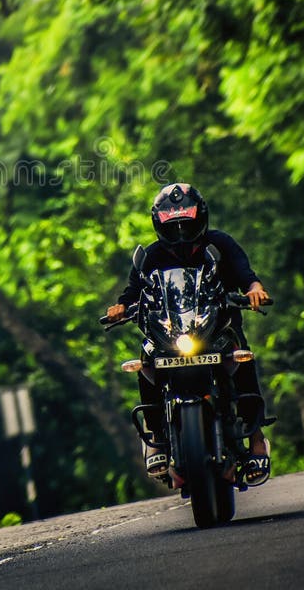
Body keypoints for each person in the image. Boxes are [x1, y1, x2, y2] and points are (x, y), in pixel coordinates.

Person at [105, 182, 272, 486]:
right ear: (159, 224)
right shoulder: (152, 256)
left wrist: (254, 290)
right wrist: (121, 307)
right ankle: (156, 436)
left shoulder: (220, 243)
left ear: (200, 218)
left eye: (187, 223)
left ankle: (256, 439)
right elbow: (132, 292)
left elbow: (246, 275)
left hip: (218, 328)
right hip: (170, 336)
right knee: (146, 360)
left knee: (242, 357)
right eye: (174, 225)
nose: (181, 232)